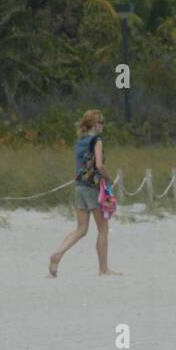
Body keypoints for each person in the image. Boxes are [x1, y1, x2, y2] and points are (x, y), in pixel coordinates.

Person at [49, 110, 119, 278]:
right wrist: (109, 180)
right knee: (103, 229)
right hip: (93, 188)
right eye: (101, 122)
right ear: (95, 124)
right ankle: (103, 269)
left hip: (79, 187)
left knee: (81, 229)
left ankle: (58, 253)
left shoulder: (80, 141)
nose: (103, 125)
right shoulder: (97, 140)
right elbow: (100, 165)